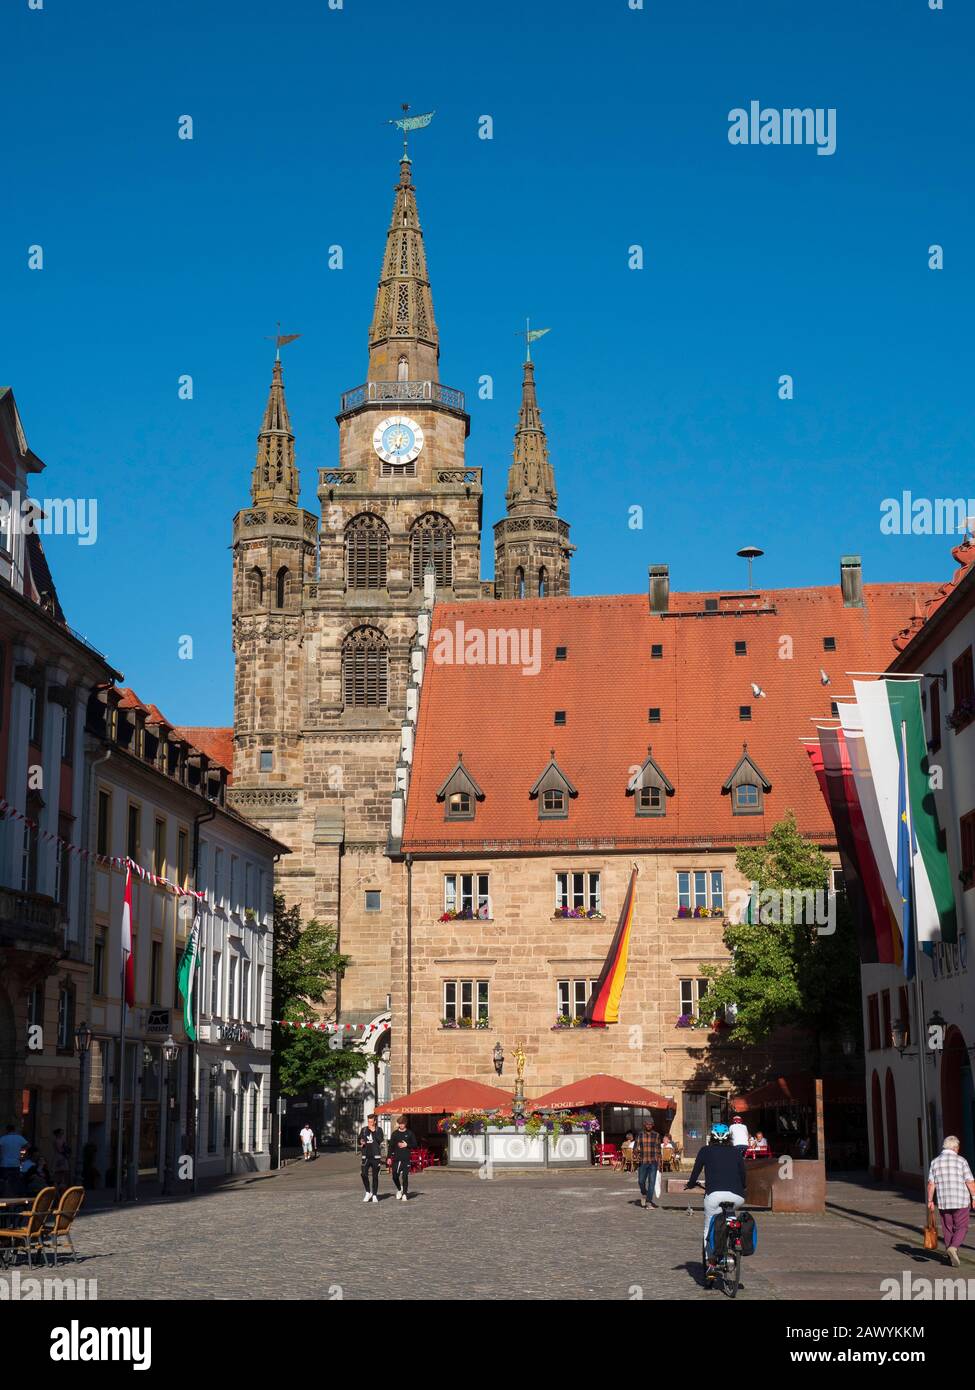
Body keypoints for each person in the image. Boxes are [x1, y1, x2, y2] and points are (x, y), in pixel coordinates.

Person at [685, 1123, 748, 1281]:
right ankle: (734, 1240)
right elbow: (743, 1174)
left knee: (709, 1226)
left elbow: (695, 1172)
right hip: (737, 1196)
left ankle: (711, 1264)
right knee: (730, 1216)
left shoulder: (705, 1151)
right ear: (729, 1138)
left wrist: (691, 1184)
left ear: (711, 1137)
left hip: (714, 1196)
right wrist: (743, 1187)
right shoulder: (736, 1152)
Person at [927, 1135, 975, 1267]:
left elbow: (931, 1184)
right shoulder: (961, 1161)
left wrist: (930, 1200)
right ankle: (953, 1248)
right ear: (955, 1147)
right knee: (962, 1227)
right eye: (958, 1147)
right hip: (960, 1200)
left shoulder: (935, 1162)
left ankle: (950, 1256)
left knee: (948, 1227)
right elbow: (970, 1181)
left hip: (944, 1201)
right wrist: (974, 1197)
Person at [632, 1118, 662, 1209]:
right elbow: (635, 1147)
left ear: (653, 1125)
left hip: (653, 1162)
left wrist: (659, 1164)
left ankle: (648, 1202)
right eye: (647, 1124)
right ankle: (644, 1193)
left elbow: (659, 1151)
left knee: (652, 1182)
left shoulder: (656, 1135)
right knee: (641, 1181)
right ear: (644, 1125)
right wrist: (636, 1153)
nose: (648, 1125)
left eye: (650, 1124)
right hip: (643, 1162)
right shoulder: (640, 1135)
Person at [389, 1115, 417, 1201]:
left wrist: (407, 1145)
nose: (401, 1125)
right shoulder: (395, 1134)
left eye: (403, 1124)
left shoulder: (409, 1133)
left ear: (405, 1123)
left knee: (405, 1177)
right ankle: (399, 1189)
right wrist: (389, 1157)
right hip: (397, 1159)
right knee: (394, 1176)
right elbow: (391, 1147)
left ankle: (404, 1193)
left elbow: (415, 1145)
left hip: (406, 1158)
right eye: (400, 1124)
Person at [358, 1113, 384, 1203]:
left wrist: (373, 1131)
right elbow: (359, 1139)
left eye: (371, 1122)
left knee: (375, 1176)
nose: (369, 1123)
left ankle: (375, 1194)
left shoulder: (379, 1130)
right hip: (365, 1156)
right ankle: (368, 1192)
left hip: (375, 1156)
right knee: (363, 1174)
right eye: (368, 1122)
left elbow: (380, 1140)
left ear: (375, 1122)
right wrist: (360, 1142)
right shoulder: (364, 1130)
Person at [0, 1123, 28, 1195]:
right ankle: (14, 1196)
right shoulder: (19, 1138)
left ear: (6, 1130)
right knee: (15, 1182)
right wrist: (23, 1155)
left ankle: (6, 1195)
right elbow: (27, 1145)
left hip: (4, 1163)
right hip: (16, 1163)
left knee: (5, 1181)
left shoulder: (3, 1138)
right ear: (14, 1130)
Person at [52, 1129, 72, 1193]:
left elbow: (66, 1147)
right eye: (61, 1133)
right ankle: (57, 1189)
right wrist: (65, 1153)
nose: (62, 1135)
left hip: (63, 1157)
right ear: (57, 1134)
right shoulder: (56, 1141)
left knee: (64, 1173)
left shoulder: (63, 1140)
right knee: (58, 1173)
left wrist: (67, 1151)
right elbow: (59, 1150)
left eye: (62, 1133)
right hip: (59, 1157)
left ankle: (62, 1188)